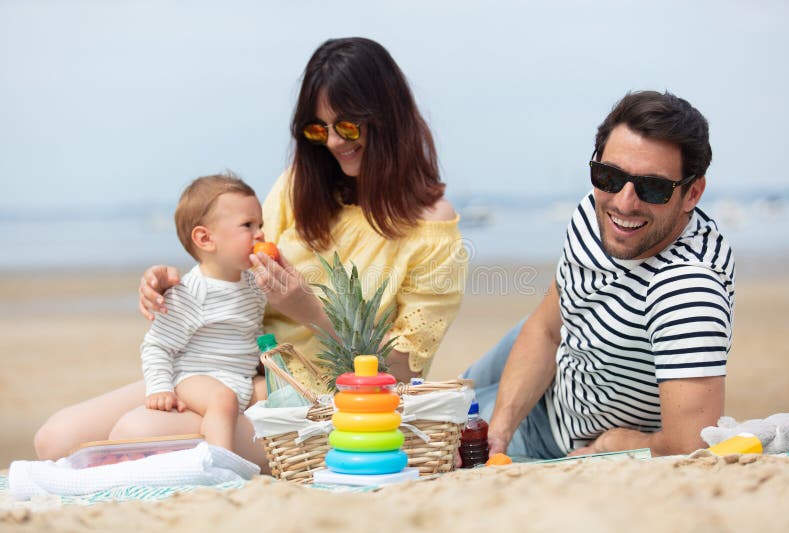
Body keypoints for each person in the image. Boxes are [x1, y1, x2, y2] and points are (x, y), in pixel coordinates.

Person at [34, 37, 467, 469]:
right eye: (319, 129)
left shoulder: (430, 229)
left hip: (316, 400)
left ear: (387, 116)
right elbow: (235, 264)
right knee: (53, 440)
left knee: (132, 432)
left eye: (348, 126)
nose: (334, 143)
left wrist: (310, 311)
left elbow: (403, 373)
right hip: (228, 369)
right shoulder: (301, 186)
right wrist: (175, 288)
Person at [464, 90, 735, 460]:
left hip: (559, 435)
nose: (624, 203)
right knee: (431, 404)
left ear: (692, 194)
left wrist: (612, 445)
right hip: (553, 357)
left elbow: (691, 445)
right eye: (608, 176)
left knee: (414, 434)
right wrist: (500, 427)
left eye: (652, 187)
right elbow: (547, 327)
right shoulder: (594, 210)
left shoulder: (688, 290)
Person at [140, 174, 267, 451]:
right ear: (206, 238)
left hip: (241, 377)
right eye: (248, 225)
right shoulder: (190, 291)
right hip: (197, 377)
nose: (260, 234)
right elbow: (157, 345)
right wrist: (160, 388)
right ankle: (222, 459)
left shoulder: (252, 285)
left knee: (278, 391)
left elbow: (250, 331)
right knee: (223, 401)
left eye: (260, 225)